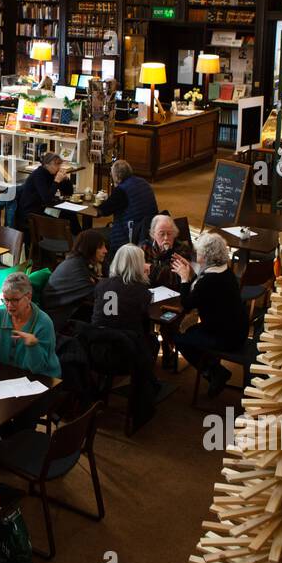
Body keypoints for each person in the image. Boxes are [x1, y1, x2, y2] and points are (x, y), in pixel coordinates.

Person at [87, 244, 159, 426]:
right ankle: (146, 391)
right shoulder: (142, 292)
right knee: (152, 342)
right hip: (124, 356)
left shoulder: (102, 285)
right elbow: (144, 324)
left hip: (96, 351)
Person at [170, 233, 249, 396]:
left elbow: (188, 304)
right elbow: (202, 293)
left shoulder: (209, 280)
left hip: (226, 337)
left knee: (179, 339)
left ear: (205, 256)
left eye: (198, 252)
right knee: (190, 333)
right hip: (237, 330)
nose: (195, 254)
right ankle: (214, 370)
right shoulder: (225, 271)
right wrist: (191, 274)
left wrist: (185, 279)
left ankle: (214, 371)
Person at [0, 271, 60, 377]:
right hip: (8, 376)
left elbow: (37, 368)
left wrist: (33, 346)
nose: (9, 305)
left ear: (28, 297)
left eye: (15, 300)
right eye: (6, 299)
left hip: (41, 379)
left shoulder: (44, 323)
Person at [41, 228, 107, 330]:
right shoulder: (77, 269)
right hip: (57, 321)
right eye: (101, 247)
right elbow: (98, 296)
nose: (105, 251)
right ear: (90, 248)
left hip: (64, 310)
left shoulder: (76, 261)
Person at [94, 160, 159, 254]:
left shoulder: (122, 190)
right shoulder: (143, 182)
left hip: (129, 234)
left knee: (92, 235)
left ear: (117, 177)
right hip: (149, 230)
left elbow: (103, 211)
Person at [13, 150, 78, 235]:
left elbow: (68, 193)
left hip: (43, 207)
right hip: (32, 212)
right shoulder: (39, 175)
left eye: (59, 164)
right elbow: (47, 199)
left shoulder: (52, 174)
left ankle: (79, 240)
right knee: (66, 217)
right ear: (46, 164)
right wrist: (57, 181)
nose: (58, 167)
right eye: (56, 164)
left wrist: (66, 180)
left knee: (70, 214)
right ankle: (69, 241)